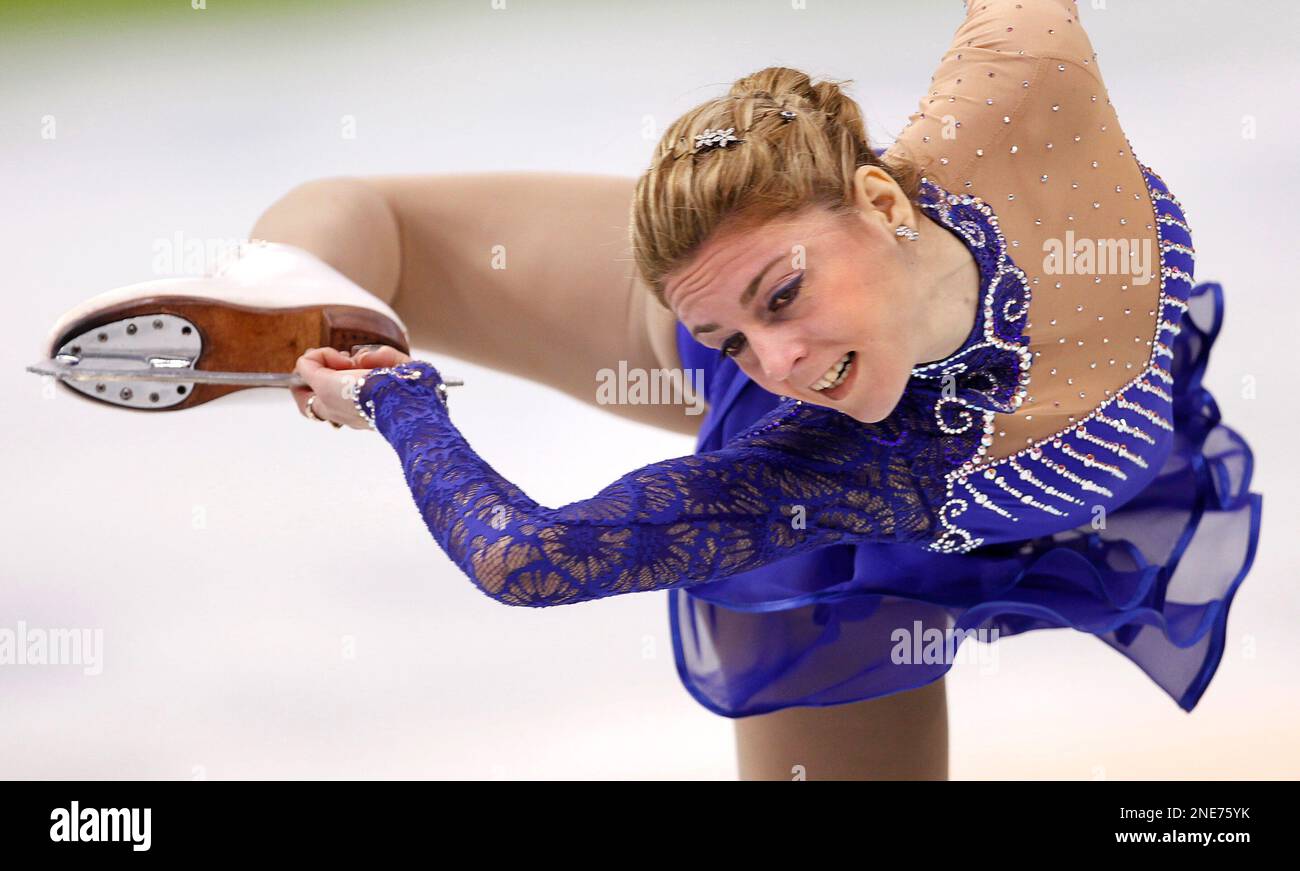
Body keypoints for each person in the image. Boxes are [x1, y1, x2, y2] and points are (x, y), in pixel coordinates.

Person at [40, 0, 1261, 780]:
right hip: (837, 506)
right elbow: (533, 556)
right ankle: (283, 283)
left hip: (931, 483)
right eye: (729, 337)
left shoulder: (1019, 74)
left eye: (781, 297)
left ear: (884, 202)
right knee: (392, 227)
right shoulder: (815, 447)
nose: (773, 362)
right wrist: (400, 397)